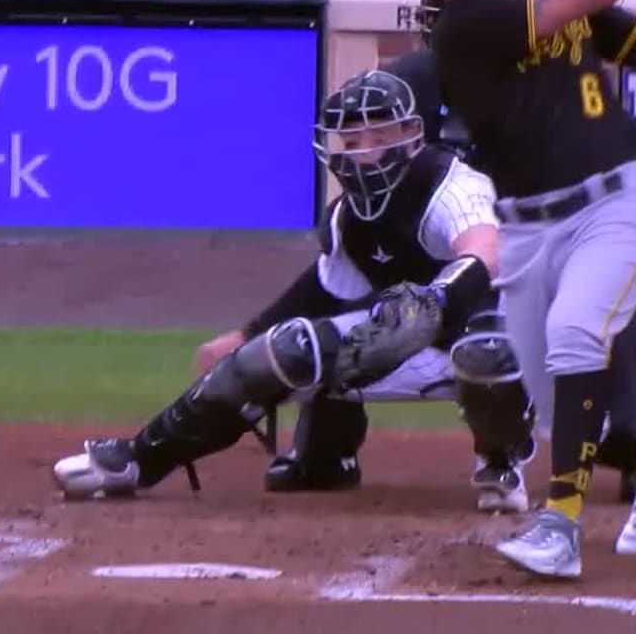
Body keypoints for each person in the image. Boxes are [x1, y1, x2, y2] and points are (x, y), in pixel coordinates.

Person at [392, 0, 636, 578]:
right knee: (562, 419)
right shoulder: (463, 27)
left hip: (612, 204)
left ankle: (560, 529)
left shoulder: (544, 0)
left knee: (578, 333)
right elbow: (559, 5)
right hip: (526, 229)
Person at [51, 70, 536, 515]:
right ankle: (141, 459)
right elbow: (323, 290)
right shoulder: (349, 218)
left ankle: (501, 461)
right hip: (409, 343)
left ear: (408, 138)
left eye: (379, 135)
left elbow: (485, 253)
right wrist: (248, 336)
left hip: (507, 342)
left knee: (485, 352)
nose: (362, 150)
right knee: (288, 349)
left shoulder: (452, 186)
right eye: (351, 138)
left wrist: (433, 302)